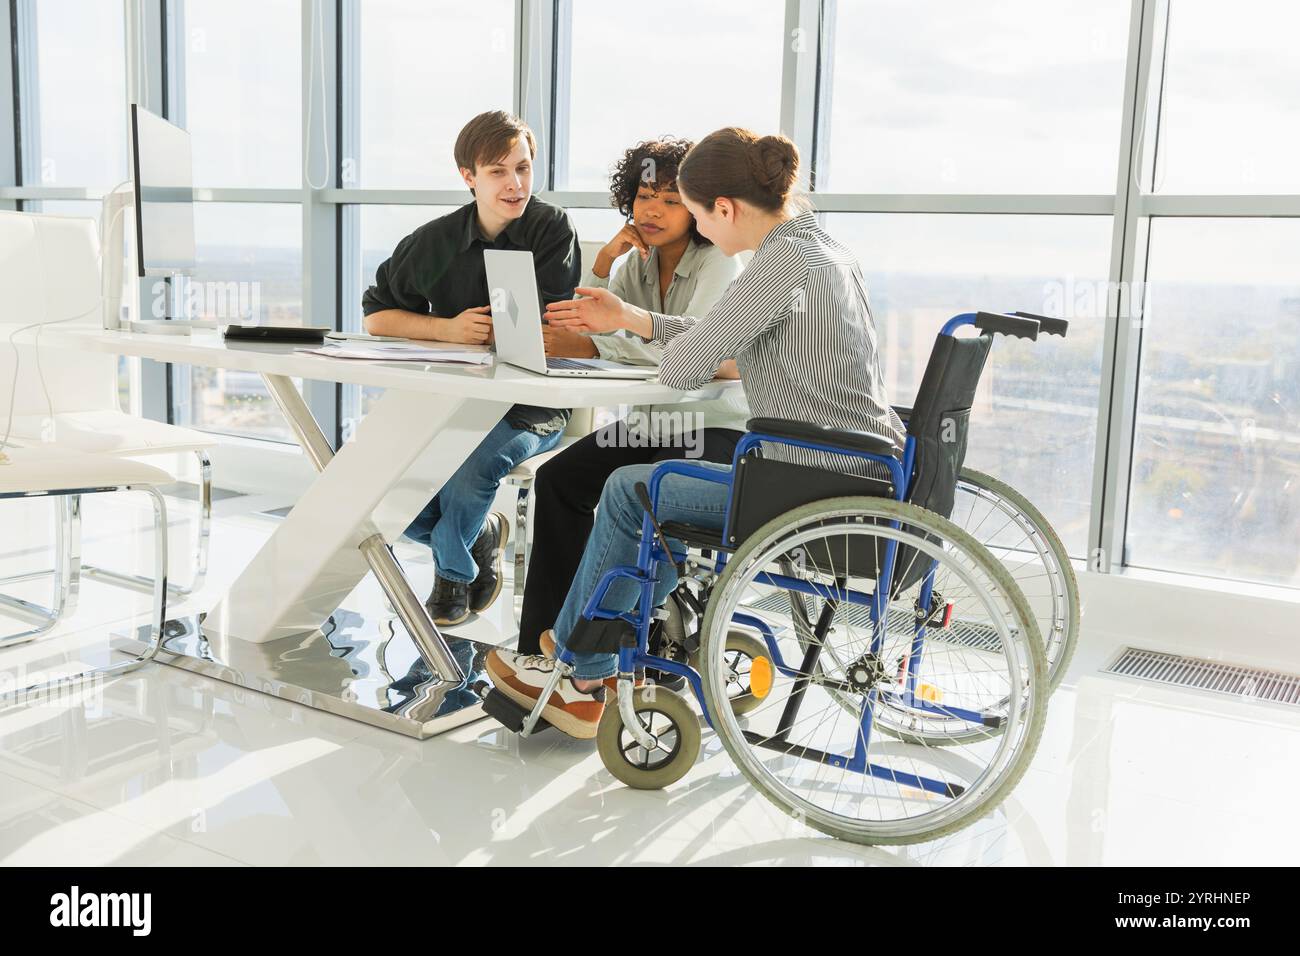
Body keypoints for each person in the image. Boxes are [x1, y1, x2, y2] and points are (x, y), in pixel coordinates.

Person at [485, 127, 905, 740]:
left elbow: (688, 367)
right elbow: (716, 336)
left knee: (633, 489)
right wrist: (634, 318)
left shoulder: (776, 267)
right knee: (610, 478)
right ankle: (578, 643)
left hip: (797, 478)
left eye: (699, 212)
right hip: (856, 462)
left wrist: (634, 326)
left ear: (725, 209)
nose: (704, 230)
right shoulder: (819, 250)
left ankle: (580, 669)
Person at [516, 136, 748, 654]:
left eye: (671, 200)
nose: (654, 211)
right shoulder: (634, 265)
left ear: (695, 208)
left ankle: (606, 643)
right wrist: (602, 264)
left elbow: (698, 349)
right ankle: (538, 647)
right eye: (645, 197)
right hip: (654, 423)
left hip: (713, 427)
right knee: (557, 481)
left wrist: (603, 340)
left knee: (638, 495)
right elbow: (579, 322)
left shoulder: (719, 265)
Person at [362, 110, 580, 627]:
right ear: (469, 176)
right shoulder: (433, 242)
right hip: (454, 400)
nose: (515, 183)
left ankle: (453, 576)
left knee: (470, 473)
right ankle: (479, 536)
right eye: (498, 171)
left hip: (533, 404)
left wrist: (511, 334)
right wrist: (446, 330)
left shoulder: (550, 230)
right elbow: (377, 318)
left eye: (523, 168)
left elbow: (553, 333)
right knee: (390, 489)